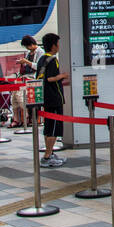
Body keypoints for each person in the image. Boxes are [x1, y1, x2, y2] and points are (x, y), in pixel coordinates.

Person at [37, 33, 68, 167]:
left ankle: (49, 153)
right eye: (58, 43)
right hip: (54, 98)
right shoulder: (52, 60)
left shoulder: (42, 59)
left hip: (46, 98)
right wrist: (63, 76)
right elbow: (50, 78)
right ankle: (47, 156)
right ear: (54, 45)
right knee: (54, 129)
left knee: (48, 127)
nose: (59, 46)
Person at [13, 34, 40, 128]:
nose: (27, 48)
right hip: (25, 77)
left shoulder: (40, 52)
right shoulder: (29, 53)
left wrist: (26, 62)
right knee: (14, 93)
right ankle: (17, 118)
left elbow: (38, 66)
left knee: (19, 93)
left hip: (33, 78)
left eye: (27, 46)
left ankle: (25, 117)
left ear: (31, 44)